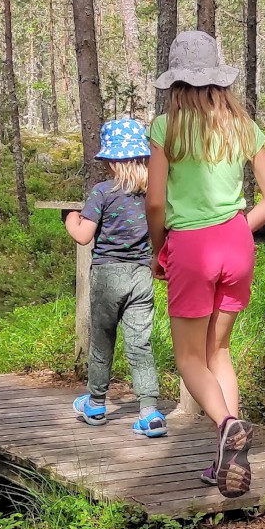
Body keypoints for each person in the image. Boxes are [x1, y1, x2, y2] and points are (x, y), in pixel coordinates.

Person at [147, 30, 265, 497]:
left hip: (190, 245)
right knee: (218, 352)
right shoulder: (242, 125)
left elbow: (154, 203)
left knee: (188, 357)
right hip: (236, 242)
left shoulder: (166, 128)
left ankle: (227, 424)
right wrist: (240, 230)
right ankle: (226, 456)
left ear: (177, 83)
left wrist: (157, 248)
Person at [64, 119, 168, 438]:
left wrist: (70, 219)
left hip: (107, 274)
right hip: (140, 275)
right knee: (140, 343)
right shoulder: (153, 194)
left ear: (110, 160)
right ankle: (149, 411)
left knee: (102, 340)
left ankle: (95, 405)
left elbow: (84, 236)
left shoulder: (102, 192)